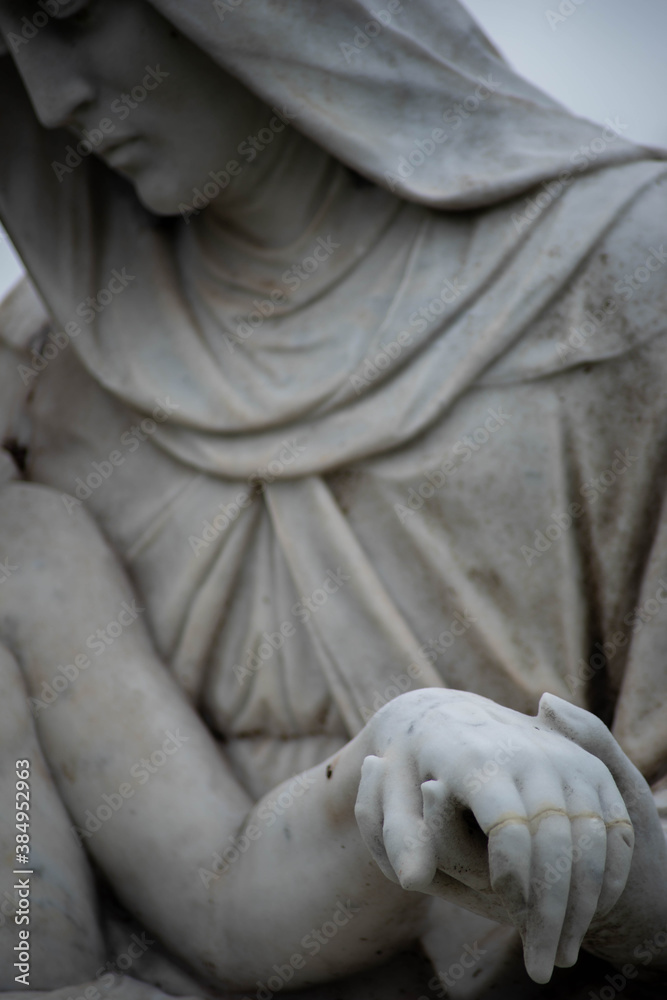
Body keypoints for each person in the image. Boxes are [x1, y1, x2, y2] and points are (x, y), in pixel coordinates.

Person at [0, 1, 666, 996]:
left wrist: (580, 859)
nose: (51, 99)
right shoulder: (41, 368)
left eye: (72, 14)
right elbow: (159, 910)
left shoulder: (627, 282)